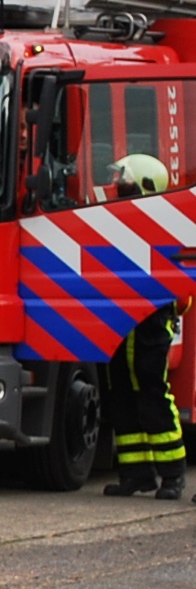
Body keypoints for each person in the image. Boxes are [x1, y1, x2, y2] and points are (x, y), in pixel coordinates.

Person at [99, 154, 187, 501]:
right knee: (120, 392)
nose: (118, 186)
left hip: (150, 321)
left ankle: (172, 475)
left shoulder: (164, 223)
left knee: (152, 391)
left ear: (144, 185)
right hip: (121, 319)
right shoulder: (114, 220)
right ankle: (136, 474)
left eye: (125, 181)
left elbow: (181, 285)